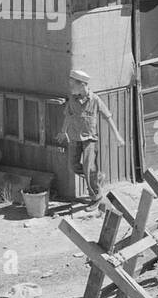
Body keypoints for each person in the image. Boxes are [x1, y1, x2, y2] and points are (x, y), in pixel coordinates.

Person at [53, 68, 124, 208]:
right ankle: (97, 178)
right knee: (73, 166)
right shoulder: (72, 100)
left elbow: (108, 117)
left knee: (89, 168)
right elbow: (68, 115)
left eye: (73, 84)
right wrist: (63, 132)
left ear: (82, 85)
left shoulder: (95, 100)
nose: (70, 87)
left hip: (89, 140)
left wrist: (117, 135)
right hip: (74, 139)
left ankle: (95, 197)